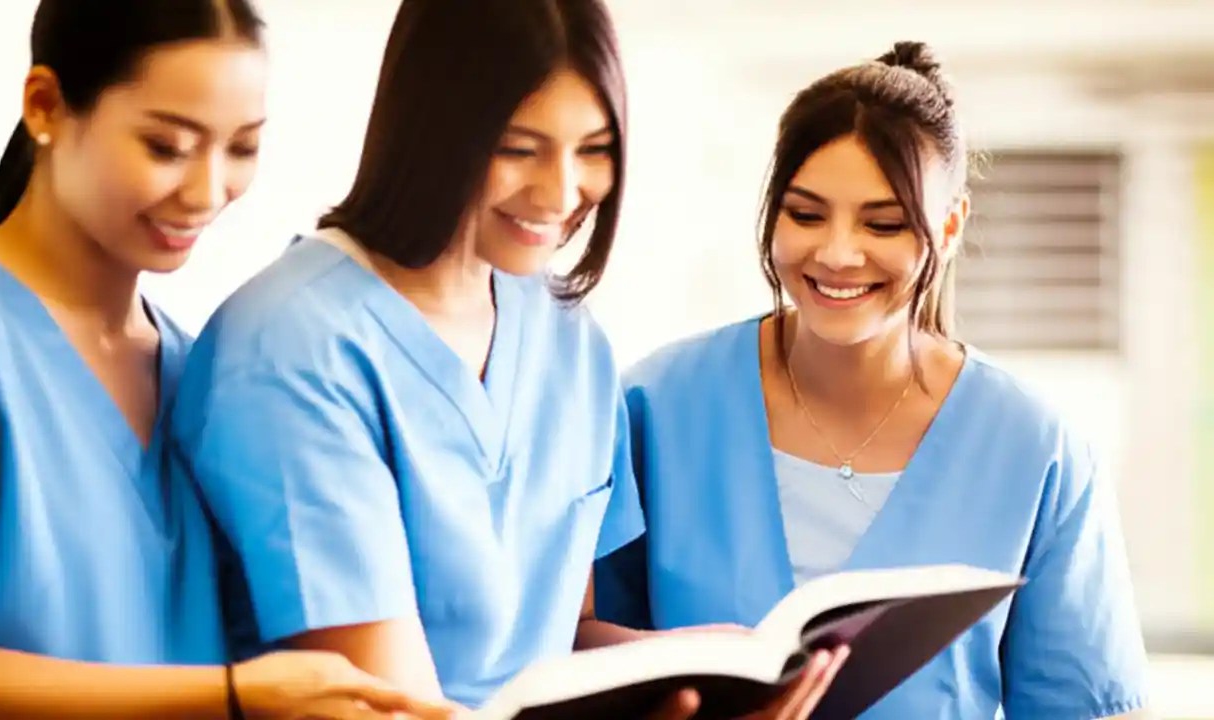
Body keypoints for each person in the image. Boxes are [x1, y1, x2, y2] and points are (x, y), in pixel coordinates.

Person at [167, 1, 844, 717]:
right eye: (519, 148)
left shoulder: (570, 341)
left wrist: (707, 670)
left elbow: (562, 642)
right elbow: (391, 707)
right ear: (431, 131)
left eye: (592, 148)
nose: (560, 192)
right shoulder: (292, 349)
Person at [594, 41, 1152, 719]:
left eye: (883, 223)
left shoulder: (1036, 447)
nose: (837, 253)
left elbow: (1080, 704)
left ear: (948, 229)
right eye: (805, 214)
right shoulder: (655, 407)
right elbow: (579, 658)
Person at [0, 1, 460, 718]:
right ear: (47, 106)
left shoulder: (202, 371)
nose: (208, 193)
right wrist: (232, 696)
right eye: (166, 146)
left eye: (241, 148)